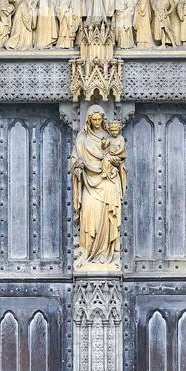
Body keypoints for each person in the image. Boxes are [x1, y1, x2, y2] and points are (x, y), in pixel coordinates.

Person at [70, 108, 124, 265]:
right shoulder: (82, 138)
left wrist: (115, 162)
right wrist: (77, 166)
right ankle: (87, 254)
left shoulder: (110, 136)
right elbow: (74, 158)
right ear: (88, 120)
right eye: (94, 120)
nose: (97, 122)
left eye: (99, 119)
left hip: (108, 182)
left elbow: (120, 157)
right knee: (88, 215)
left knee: (107, 219)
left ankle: (107, 255)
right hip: (89, 182)